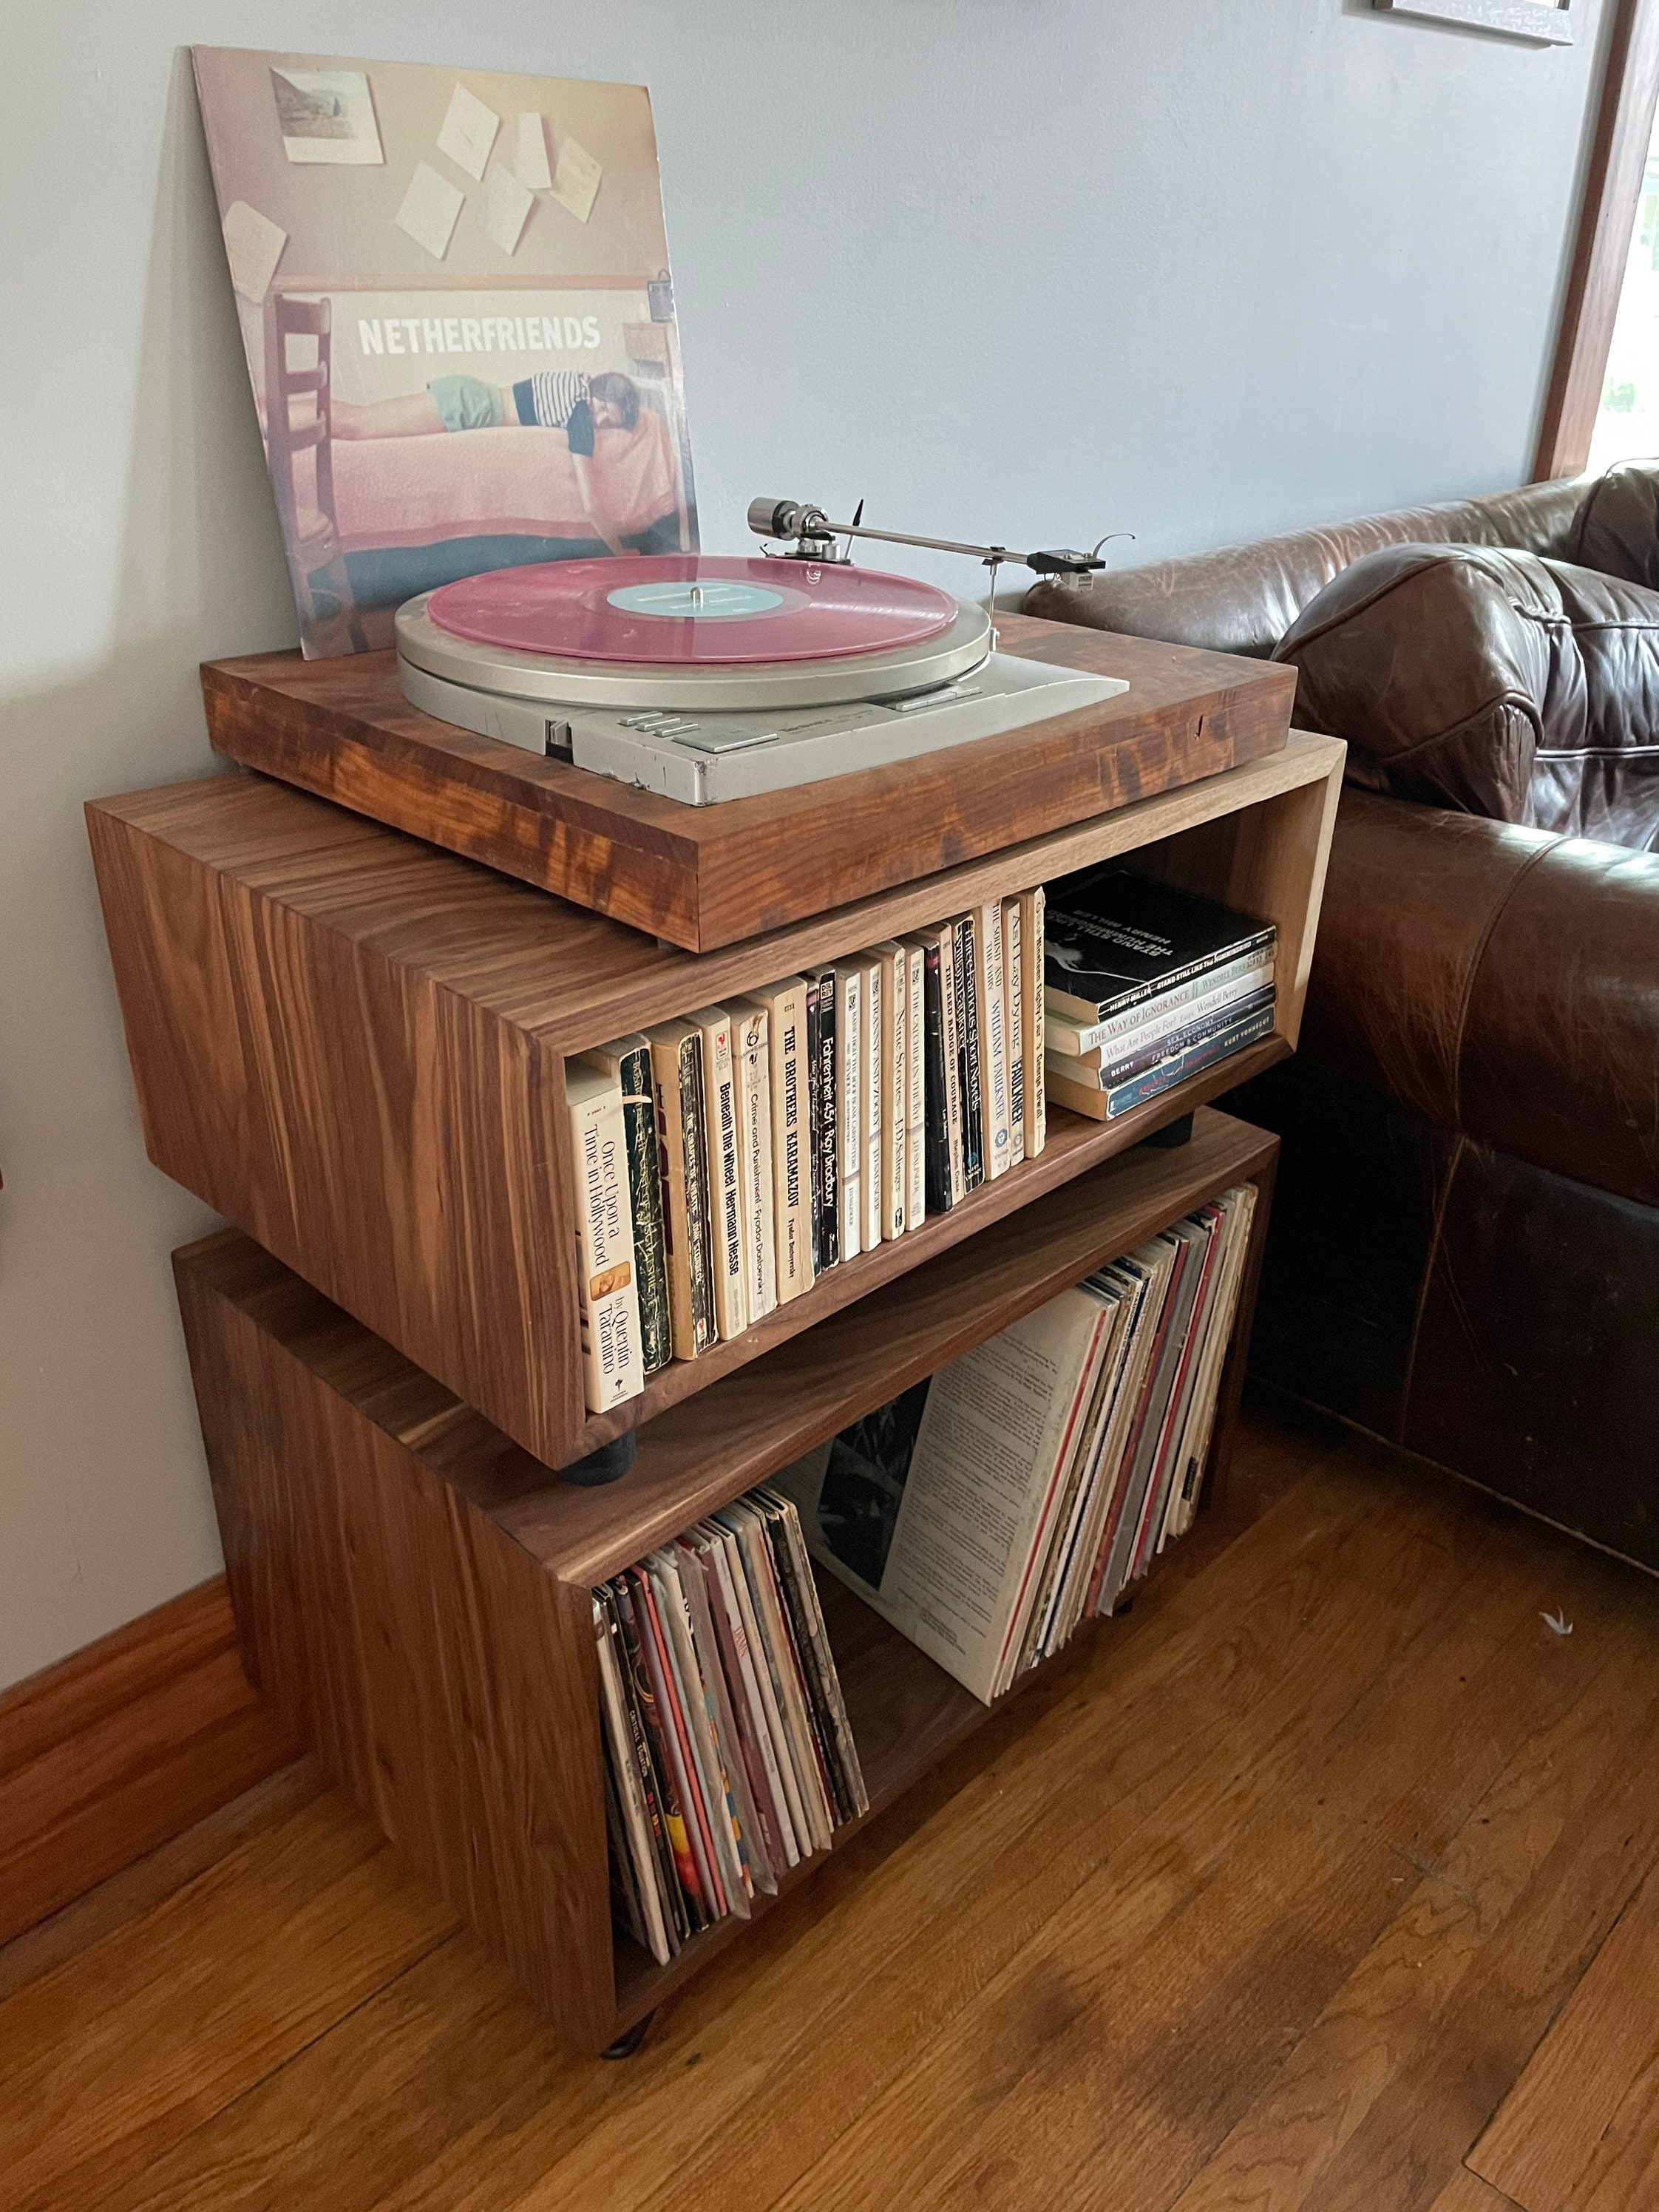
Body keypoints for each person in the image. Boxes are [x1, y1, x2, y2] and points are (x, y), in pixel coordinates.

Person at [329, 369, 641, 555]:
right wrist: (620, 550)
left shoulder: (578, 382)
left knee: (358, 419)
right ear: (597, 393)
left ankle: (301, 408)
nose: (600, 420)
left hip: (470, 396)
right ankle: (299, 414)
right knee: (358, 425)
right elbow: (592, 506)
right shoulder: (580, 412)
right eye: (603, 409)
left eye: (609, 422)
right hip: (472, 405)